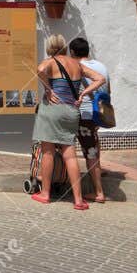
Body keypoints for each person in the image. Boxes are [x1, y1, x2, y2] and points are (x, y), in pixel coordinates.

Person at [31, 34, 106, 210]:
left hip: (52, 110)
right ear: (65, 47)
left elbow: (40, 69)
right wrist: (83, 93)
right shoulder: (77, 65)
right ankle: (78, 200)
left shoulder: (50, 61)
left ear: (50, 48)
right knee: (70, 154)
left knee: (48, 151)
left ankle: (45, 193)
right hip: (72, 110)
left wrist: (48, 88)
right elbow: (100, 79)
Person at [71, 36, 111, 203]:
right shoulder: (102, 66)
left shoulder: (78, 67)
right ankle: (98, 171)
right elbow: (109, 90)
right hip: (98, 114)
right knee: (93, 144)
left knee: (90, 152)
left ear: (72, 52)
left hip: (84, 114)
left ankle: (99, 192)